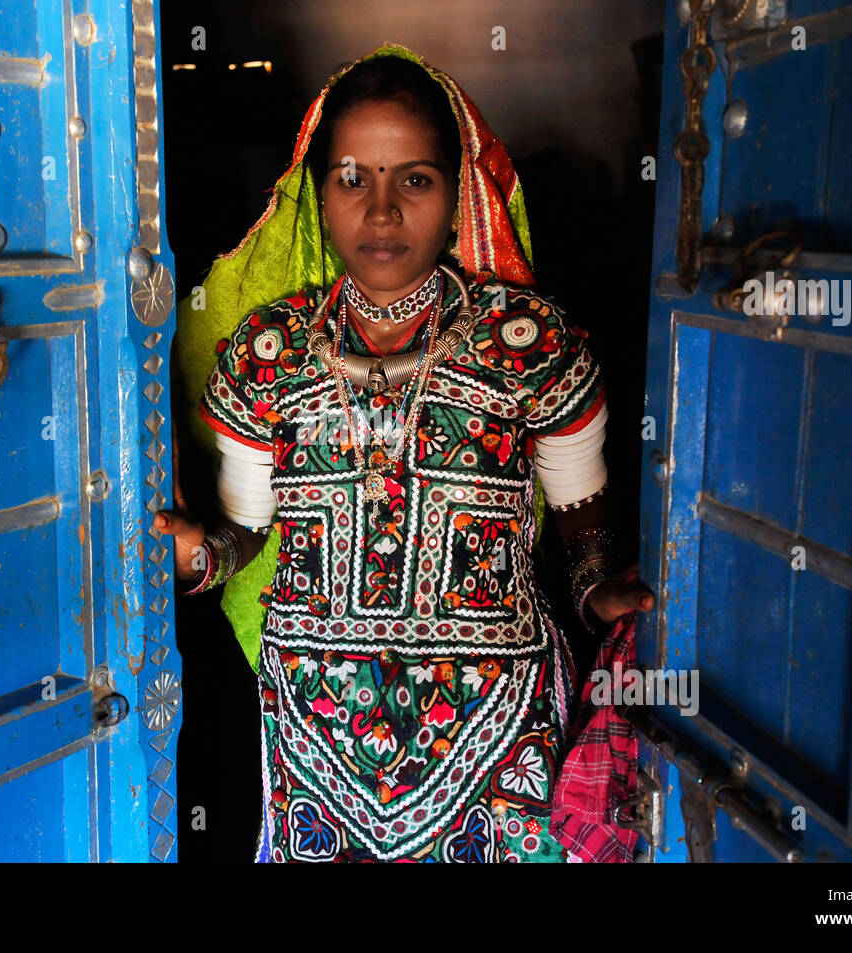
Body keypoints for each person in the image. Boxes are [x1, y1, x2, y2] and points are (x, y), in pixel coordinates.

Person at [157, 43, 653, 862]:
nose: (382, 211)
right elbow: (244, 530)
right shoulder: (268, 353)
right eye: (354, 178)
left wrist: (599, 588)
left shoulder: (528, 343)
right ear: (320, 194)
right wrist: (199, 555)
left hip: (496, 736)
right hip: (316, 740)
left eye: (413, 179)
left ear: (458, 197)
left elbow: (579, 512)